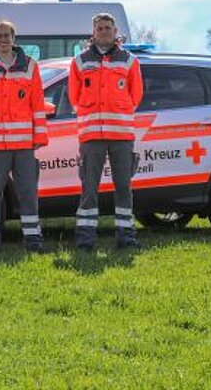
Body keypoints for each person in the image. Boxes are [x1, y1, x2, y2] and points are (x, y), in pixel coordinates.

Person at [0, 20, 49, 254]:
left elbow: (37, 104)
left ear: (14, 38)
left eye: (7, 35)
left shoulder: (30, 66)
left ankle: (33, 242)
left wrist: (40, 136)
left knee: (28, 192)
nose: (3, 39)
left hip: (25, 144)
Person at [68, 13, 144, 250]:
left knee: (124, 188)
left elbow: (136, 95)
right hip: (91, 136)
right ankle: (86, 238)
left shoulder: (129, 61)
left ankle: (126, 238)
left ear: (115, 31)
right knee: (89, 189)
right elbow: (74, 97)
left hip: (121, 135)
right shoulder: (80, 61)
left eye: (108, 27)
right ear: (93, 32)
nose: (104, 31)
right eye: (99, 28)